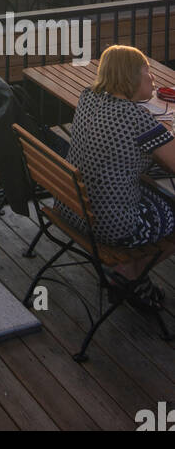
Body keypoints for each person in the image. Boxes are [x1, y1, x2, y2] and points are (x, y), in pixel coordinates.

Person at [57, 45, 175, 309]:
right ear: (131, 77)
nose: (153, 80)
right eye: (148, 72)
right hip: (112, 226)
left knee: (157, 188)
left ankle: (133, 276)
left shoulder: (88, 96)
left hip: (72, 207)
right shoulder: (135, 118)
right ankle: (131, 274)